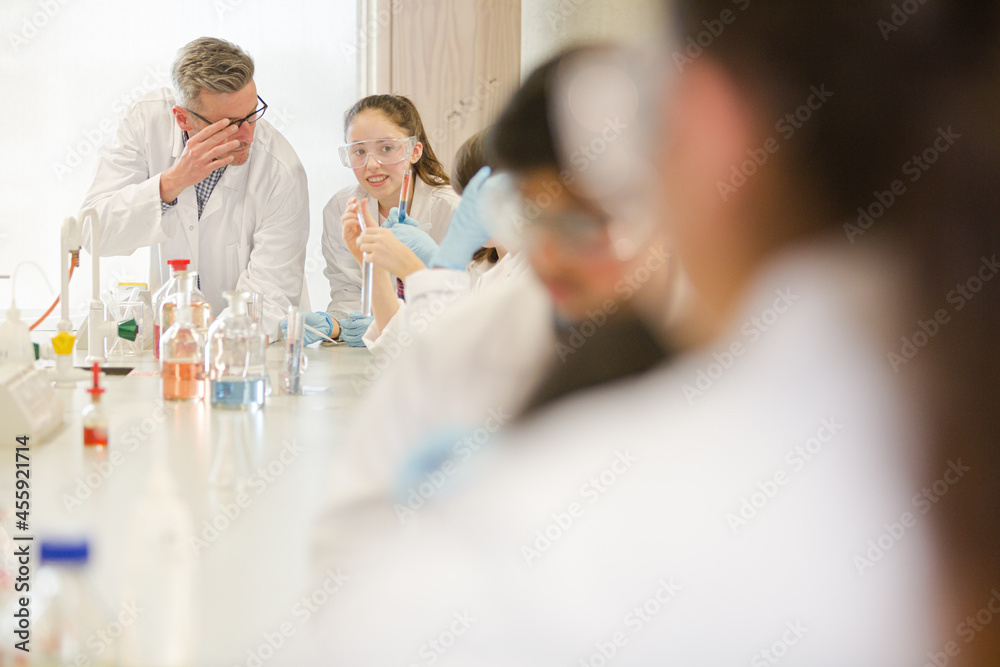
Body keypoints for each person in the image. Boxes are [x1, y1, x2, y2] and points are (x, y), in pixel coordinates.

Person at [298, 1, 1000, 664]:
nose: (557, 251)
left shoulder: (529, 578)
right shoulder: (468, 334)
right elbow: (343, 555)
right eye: (532, 220)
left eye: (589, 219)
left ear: (704, 127)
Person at [81, 37, 309, 338]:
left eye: (251, 116)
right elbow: (94, 234)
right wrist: (171, 183)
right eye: (228, 124)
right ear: (182, 118)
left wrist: (203, 344)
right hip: (175, 345)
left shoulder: (281, 171)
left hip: (253, 348)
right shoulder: (146, 123)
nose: (247, 137)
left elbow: (270, 298)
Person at [307, 94, 459, 346]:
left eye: (386, 148)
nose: (372, 164)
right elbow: (348, 295)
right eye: (359, 151)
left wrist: (391, 318)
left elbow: (469, 308)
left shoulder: (451, 208)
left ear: (414, 151)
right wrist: (333, 325)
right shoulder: (341, 208)